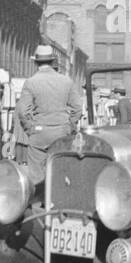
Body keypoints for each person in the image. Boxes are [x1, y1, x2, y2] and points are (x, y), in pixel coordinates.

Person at [16, 44, 82, 186]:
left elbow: (22, 111)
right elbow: (77, 108)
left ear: (36, 62)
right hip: (62, 131)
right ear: (52, 62)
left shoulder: (31, 82)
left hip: (40, 132)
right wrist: (70, 126)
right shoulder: (66, 81)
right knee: (62, 170)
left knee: (37, 174)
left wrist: (31, 129)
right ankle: (60, 201)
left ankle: (39, 205)